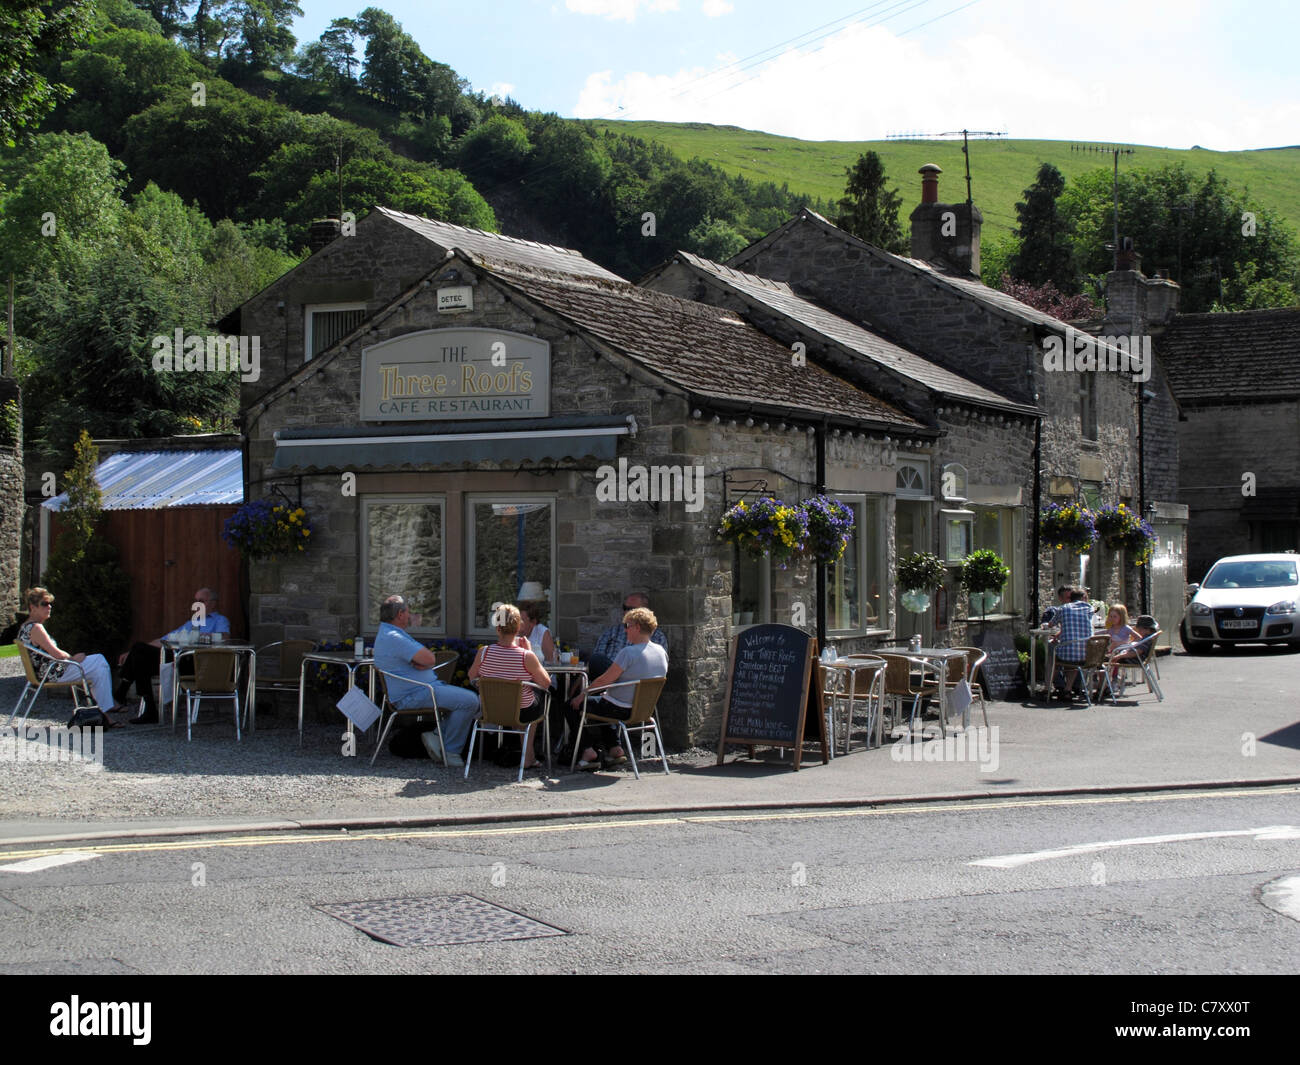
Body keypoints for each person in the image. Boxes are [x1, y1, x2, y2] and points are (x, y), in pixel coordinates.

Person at [372, 594, 479, 767]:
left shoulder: (387, 633)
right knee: (470, 701)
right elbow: (430, 659)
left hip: (421, 690)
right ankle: (450, 751)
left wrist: (420, 661)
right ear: (400, 614)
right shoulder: (394, 637)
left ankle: (437, 736)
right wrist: (423, 662)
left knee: (466, 700)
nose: (409, 616)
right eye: (408, 612)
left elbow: (424, 660)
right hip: (415, 694)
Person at [568, 605, 668, 769]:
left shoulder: (628, 652)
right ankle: (615, 749)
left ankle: (588, 752)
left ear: (637, 627)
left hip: (620, 708)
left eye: (627, 627)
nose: (625, 631)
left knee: (572, 705)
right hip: (644, 709)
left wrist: (581, 695)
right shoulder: (661, 651)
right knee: (601, 701)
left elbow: (603, 681)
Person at [116, 587, 230, 724]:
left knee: (139, 652)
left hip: (196, 662)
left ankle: (122, 691)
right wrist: (131, 653)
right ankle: (150, 710)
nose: (198, 604)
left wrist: (200, 636)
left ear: (213, 603)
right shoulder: (191, 623)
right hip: (178, 659)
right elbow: (165, 640)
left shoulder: (219, 620)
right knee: (139, 657)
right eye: (196, 601)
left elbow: (225, 638)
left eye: (202, 601)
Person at [18, 587, 129, 717]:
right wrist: (73, 658)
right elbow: (57, 654)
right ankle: (105, 708)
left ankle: (104, 710)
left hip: (47, 672)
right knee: (99, 661)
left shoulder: (26, 626)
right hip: (53, 673)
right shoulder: (36, 628)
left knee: (98, 669)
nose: (49, 607)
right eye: (44, 604)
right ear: (33, 607)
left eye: (50, 604)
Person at [467, 604, 552, 770]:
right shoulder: (526, 656)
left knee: (522, 701)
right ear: (519, 627)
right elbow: (546, 683)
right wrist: (529, 651)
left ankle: (527, 756)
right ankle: (528, 757)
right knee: (533, 700)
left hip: (491, 709)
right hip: (521, 710)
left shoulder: (483, 652)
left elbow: (472, 676)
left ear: (497, 628)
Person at [587, 592, 668, 677]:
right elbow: (597, 659)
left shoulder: (658, 637)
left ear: (644, 611)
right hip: (610, 675)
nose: (626, 612)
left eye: (631, 609)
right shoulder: (612, 632)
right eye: (625, 608)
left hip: (633, 678)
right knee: (593, 659)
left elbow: (657, 667)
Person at [1052, 587, 1095, 699]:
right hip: (1088, 655)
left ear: (1071, 598)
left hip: (1068, 654)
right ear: (1082, 598)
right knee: (1075, 657)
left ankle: (1049, 688)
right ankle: (1068, 689)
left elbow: (1051, 624)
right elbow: (1083, 626)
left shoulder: (1062, 608)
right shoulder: (1089, 608)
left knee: (1053, 657)